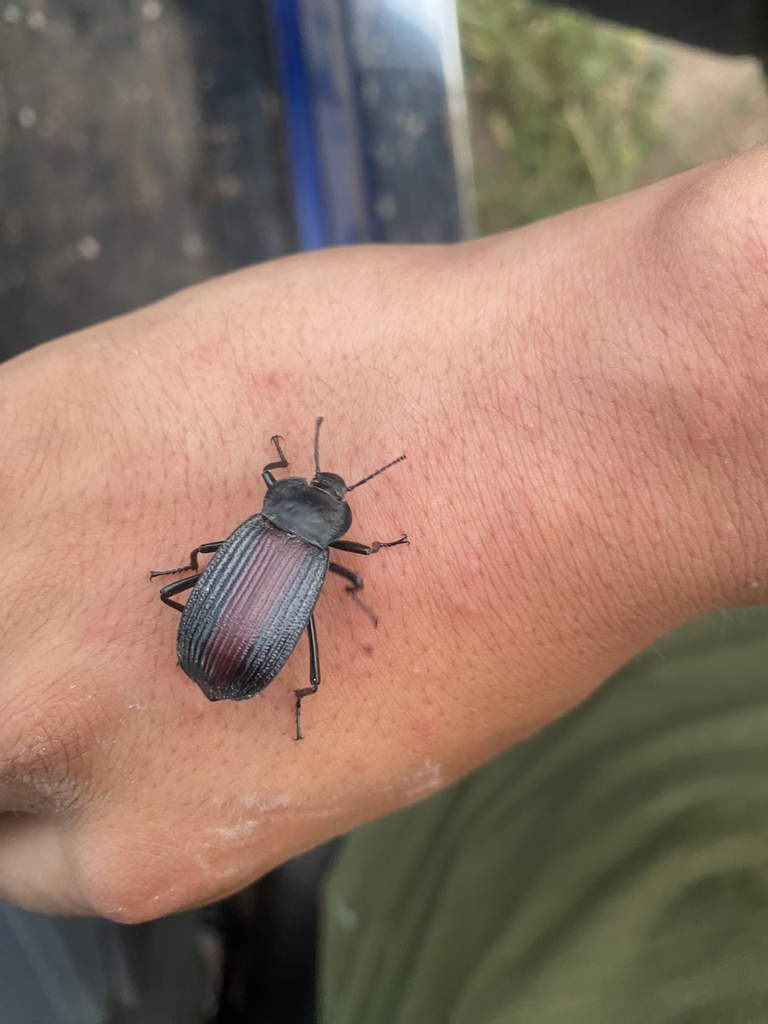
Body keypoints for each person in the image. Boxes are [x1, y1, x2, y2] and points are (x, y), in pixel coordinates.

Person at [0, 145, 767, 946]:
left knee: (207, 585)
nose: (322, 489)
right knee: (306, 659)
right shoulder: (314, 551)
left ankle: (276, 681)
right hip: (241, 650)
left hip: (228, 632)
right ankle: (296, 702)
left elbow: (214, 555)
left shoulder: (268, 527)